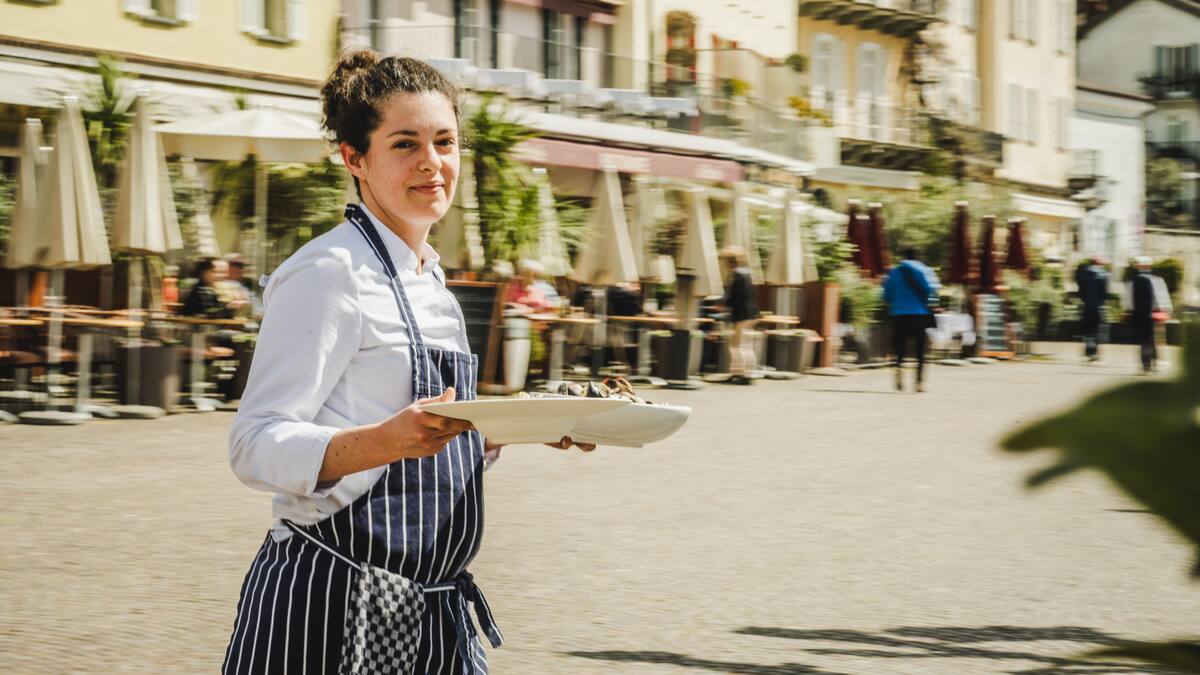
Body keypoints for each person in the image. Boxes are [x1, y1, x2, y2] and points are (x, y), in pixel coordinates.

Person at [223, 52, 593, 674]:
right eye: (405, 143)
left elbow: (435, 438)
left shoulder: (435, 285)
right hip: (331, 601)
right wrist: (386, 441)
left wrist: (522, 427)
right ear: (354, 159)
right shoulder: (329, 272)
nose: (432, 162)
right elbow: (255, 445)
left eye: (444, 141)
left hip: (429, 609)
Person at [883, 248, 940, 392]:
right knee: (920, 349)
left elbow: (886, 295)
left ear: (904, 257)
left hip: (899, 315)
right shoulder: (923, 270)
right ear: (917, 257)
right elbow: (930, 292)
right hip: (919, 315)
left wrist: (896, 302)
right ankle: (919, 382)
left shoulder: (894, 273)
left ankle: (899, 374)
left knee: (899, 348)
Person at [721, 246, 759, 385]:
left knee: (736, 346)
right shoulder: (748, 273)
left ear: (730, 262)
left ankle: (741, 374)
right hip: (751, 313)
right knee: (746, 345)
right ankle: (747, 373)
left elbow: (736, 297)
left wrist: (725, 303)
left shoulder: (736, 275)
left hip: (741, 314)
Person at [1129, 256, 1167, 374]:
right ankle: (1154, 363)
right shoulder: (1156, 280)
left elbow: (1129, 299)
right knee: (1153, 339)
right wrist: (1165, 310)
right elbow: (1162, 297)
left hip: (1139, 314)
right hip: (1154, 314)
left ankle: (1146, 365)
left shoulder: (1133, 281)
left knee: (1144, 340)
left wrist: (1128, 311)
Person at [1075, 257, 1109, 362]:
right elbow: (1104, 293)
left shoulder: (1084, 275)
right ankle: (1095, 353)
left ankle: (1089, 352)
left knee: (1088, 330)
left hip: (1086, 306)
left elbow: (1080, 291)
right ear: (1099, 264)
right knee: (1096, 330)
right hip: (1098, 306)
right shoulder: (1103, 276)